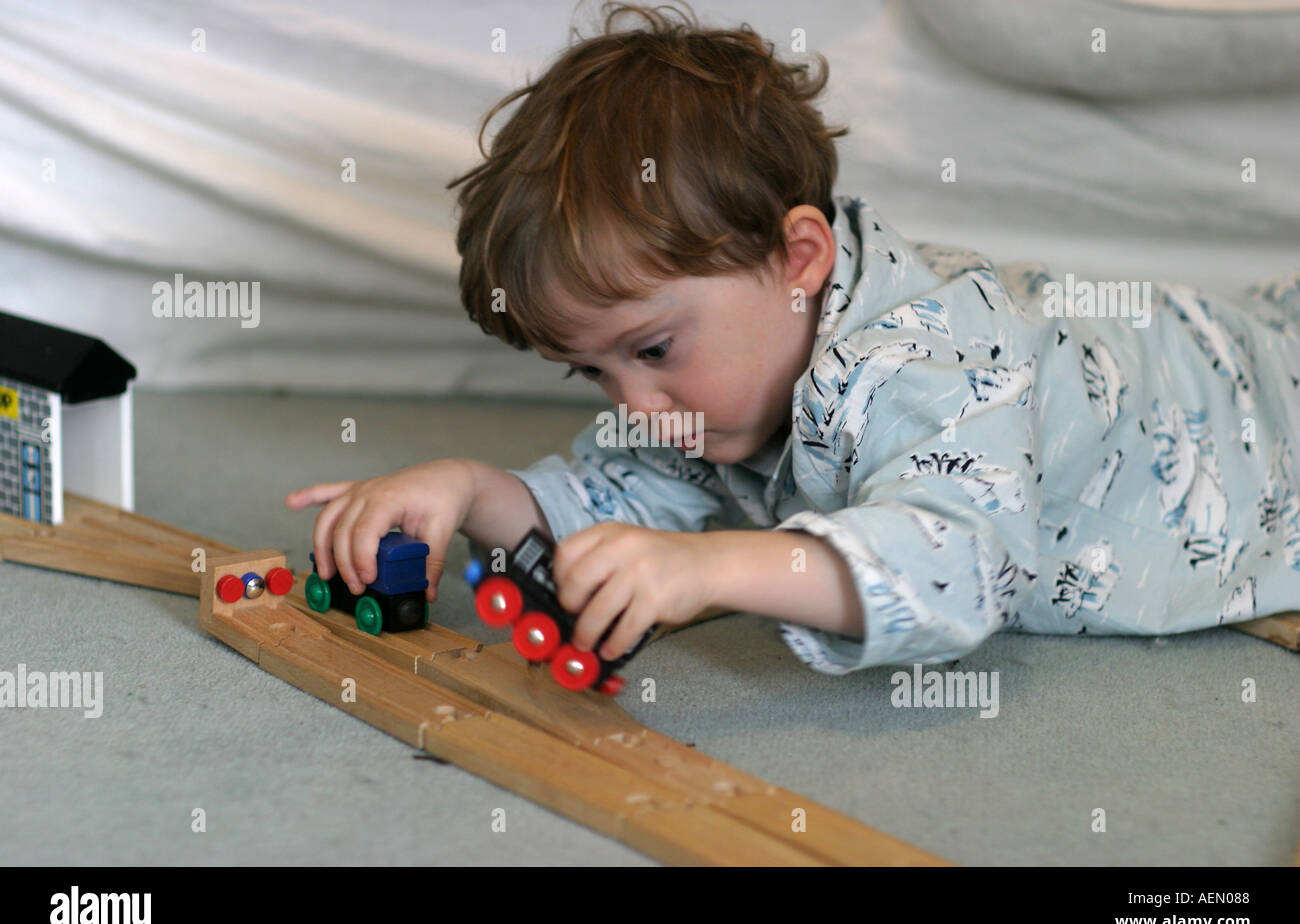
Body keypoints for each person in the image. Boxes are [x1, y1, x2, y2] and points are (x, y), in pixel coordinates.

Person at [287, 3, 1300, 674]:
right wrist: (469, 490)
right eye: (589, 370)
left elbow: (958, 561)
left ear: (800, 257)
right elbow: (609, 507)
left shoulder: (927, 362)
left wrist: (714, 566)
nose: (633, 407)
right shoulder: (716, 391)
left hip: (1256, 404)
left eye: (650, 349)